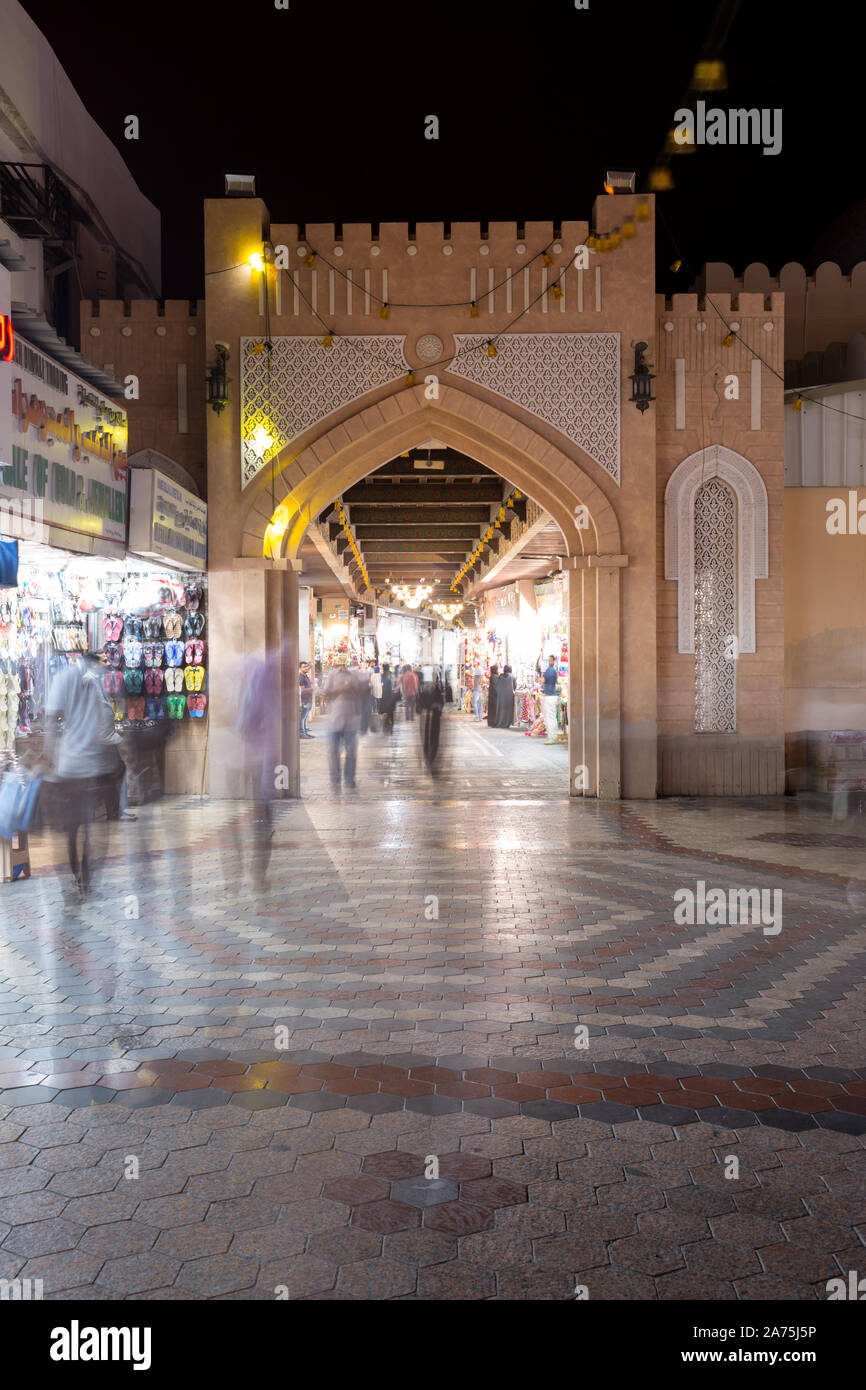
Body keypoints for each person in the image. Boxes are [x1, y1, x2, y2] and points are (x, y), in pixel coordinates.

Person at [42, 651, 125, 902]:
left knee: (72, 827)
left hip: (71, 766)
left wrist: (49, 755)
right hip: (90, 766)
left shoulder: (65, 680)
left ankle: (76, 875)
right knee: (88, 826)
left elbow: (51, 722)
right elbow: (103, 721)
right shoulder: (91, 684)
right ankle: (84, 877)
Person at [324, 659, 363, 789]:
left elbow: (361, 694)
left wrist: (354, 688)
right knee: (334, 753)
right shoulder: (332, 675)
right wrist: (341, 689)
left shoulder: (354, 676)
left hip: (351, 720)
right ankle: (335, 781)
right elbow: (326, 693)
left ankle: (349, 780)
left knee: (351, 752)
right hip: (334, 720)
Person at [418, 669, 445, 771]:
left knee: (429, 738)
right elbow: (441, 703)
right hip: (432, 719)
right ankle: (430, 758)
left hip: (429, 719)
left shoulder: (425, 690)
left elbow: (420, 706)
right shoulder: (437, 689)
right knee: (432, 738)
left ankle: (429, 758)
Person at [541, 655, 560, 743]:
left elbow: (543, 680)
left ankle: (552, 737)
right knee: (552, 717)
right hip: (552, 696)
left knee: (549, 717)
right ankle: (553, 736)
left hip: (549, 696)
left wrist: (542, 678)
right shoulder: (554, 670)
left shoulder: (549, 670)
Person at [379, 662, 397, 735]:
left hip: (383, 697)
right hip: (388, 698)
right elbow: (390, 689)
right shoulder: (388, 677)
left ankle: (386, 724)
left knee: (386, 712)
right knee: (390, 713)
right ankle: (389, 725)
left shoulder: (382, 677)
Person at [299, 661, 314, 738]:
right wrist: (311, 689)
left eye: (306, 666)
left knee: (305, 717)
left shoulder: (305, 676)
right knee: (302, 717)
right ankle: (302, 733)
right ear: (300, 668)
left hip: (308, 699)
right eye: (304, 667)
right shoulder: (300, 677)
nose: (306, 668)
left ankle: (305, 732)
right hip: (304, 700)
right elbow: (302, 690)